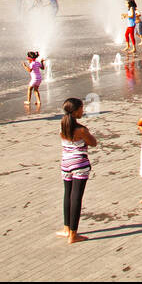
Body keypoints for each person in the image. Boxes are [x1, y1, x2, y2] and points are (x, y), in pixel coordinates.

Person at [58, 97, 96, 244]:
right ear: (75, 111)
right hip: (79, 163)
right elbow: (93, 143)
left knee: (67, 194)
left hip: (65, 163)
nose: (83, 110)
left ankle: (67, 228)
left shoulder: (62, 126)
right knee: (76, 198)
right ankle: (73, 235)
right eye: (81, 108)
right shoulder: (81, 130)